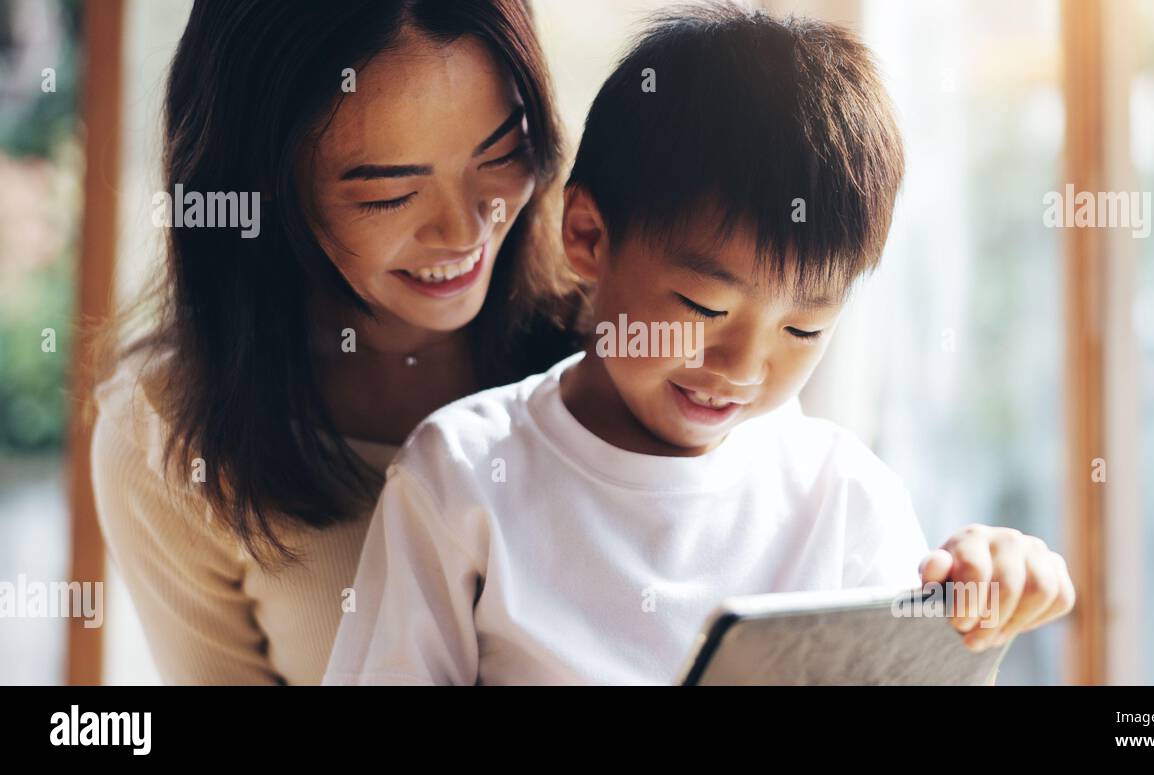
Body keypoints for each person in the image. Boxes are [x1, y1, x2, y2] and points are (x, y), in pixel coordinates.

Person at [322, 3, 1075, 686]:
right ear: (585, 235)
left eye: (803, 330)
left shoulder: (843, 496)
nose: (743, 368)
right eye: (704, 308)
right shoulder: (460, 477)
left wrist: (984, 600)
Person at [91, 0, 584, 685]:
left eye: (500, 154)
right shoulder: (169, 437)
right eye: (389, 195)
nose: (463, 231)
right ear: (259, 188)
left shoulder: (622, 338)